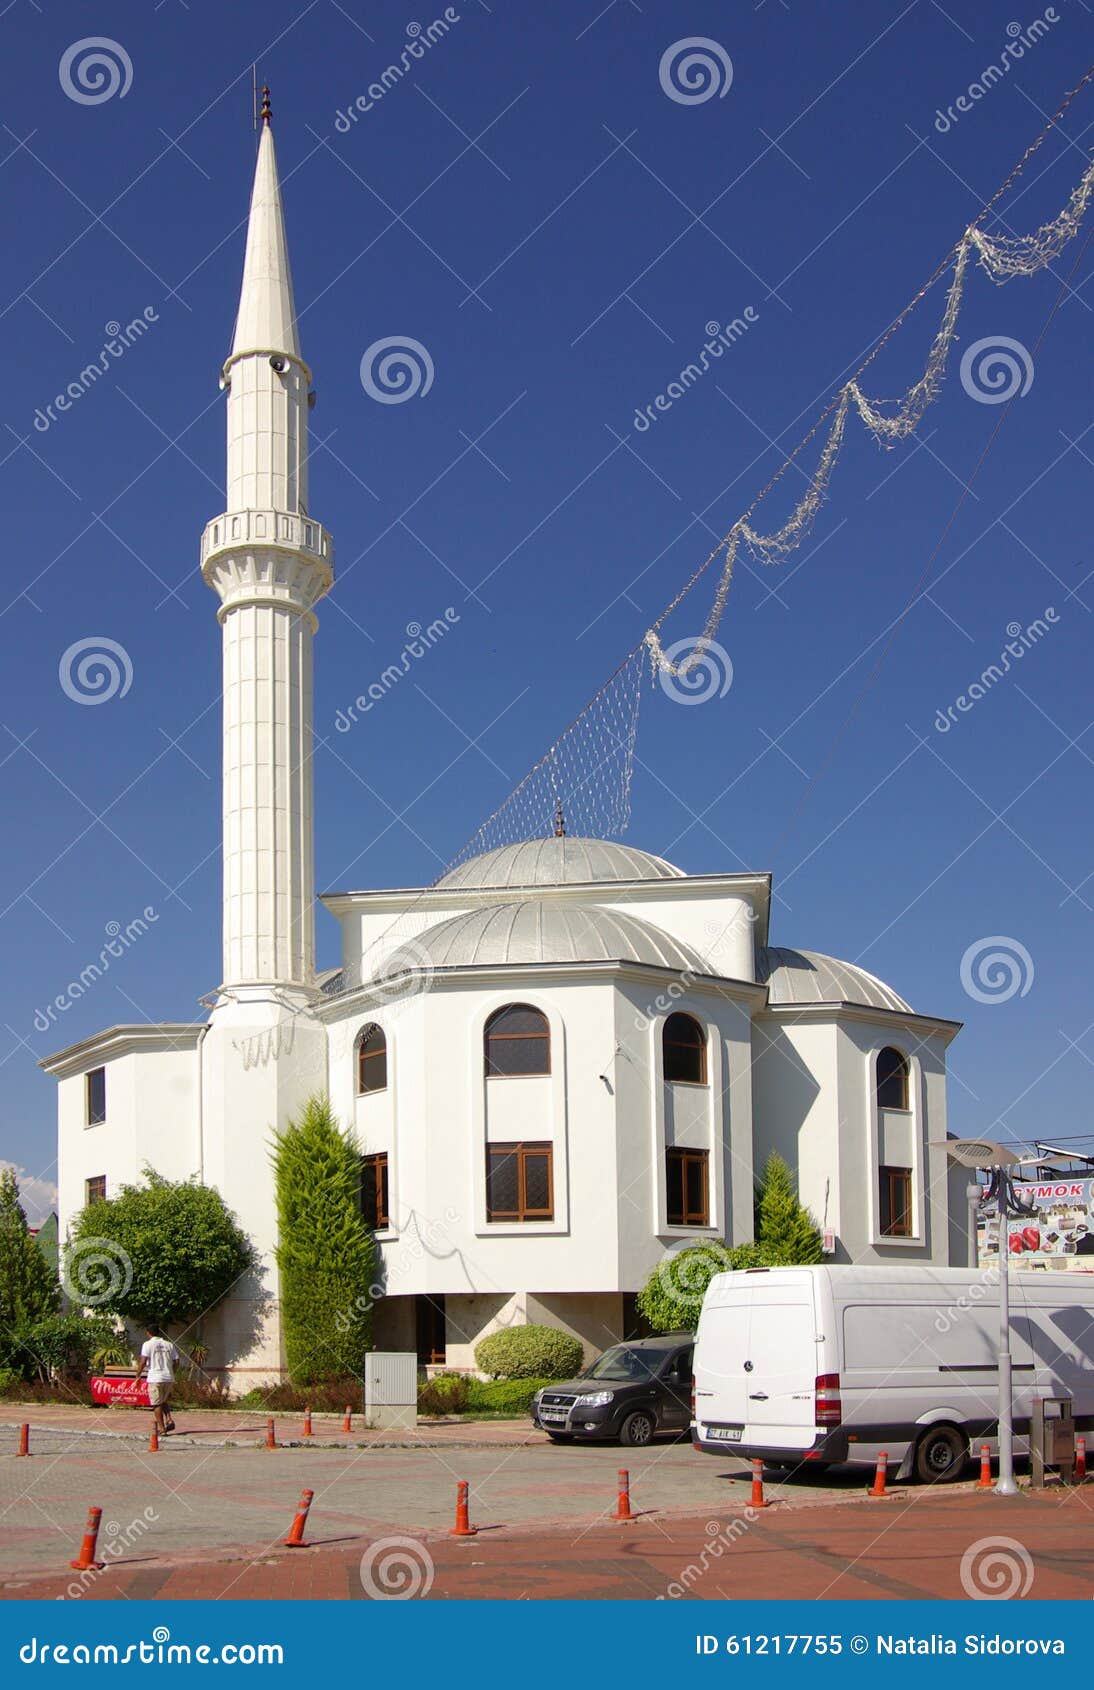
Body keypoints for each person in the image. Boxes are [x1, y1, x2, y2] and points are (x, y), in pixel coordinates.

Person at [135, 1324, 179, 1436]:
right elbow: (177, 1361)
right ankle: (169, 1419)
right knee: (163, 1400)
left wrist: (138, 1375)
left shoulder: (147, 1344)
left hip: (155, 1377)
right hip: (168, 1377)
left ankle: (162, 1428)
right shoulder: (169, 1344)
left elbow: (143, 1361)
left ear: (148, 1333)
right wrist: (172, 1372)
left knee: (156, 1404)